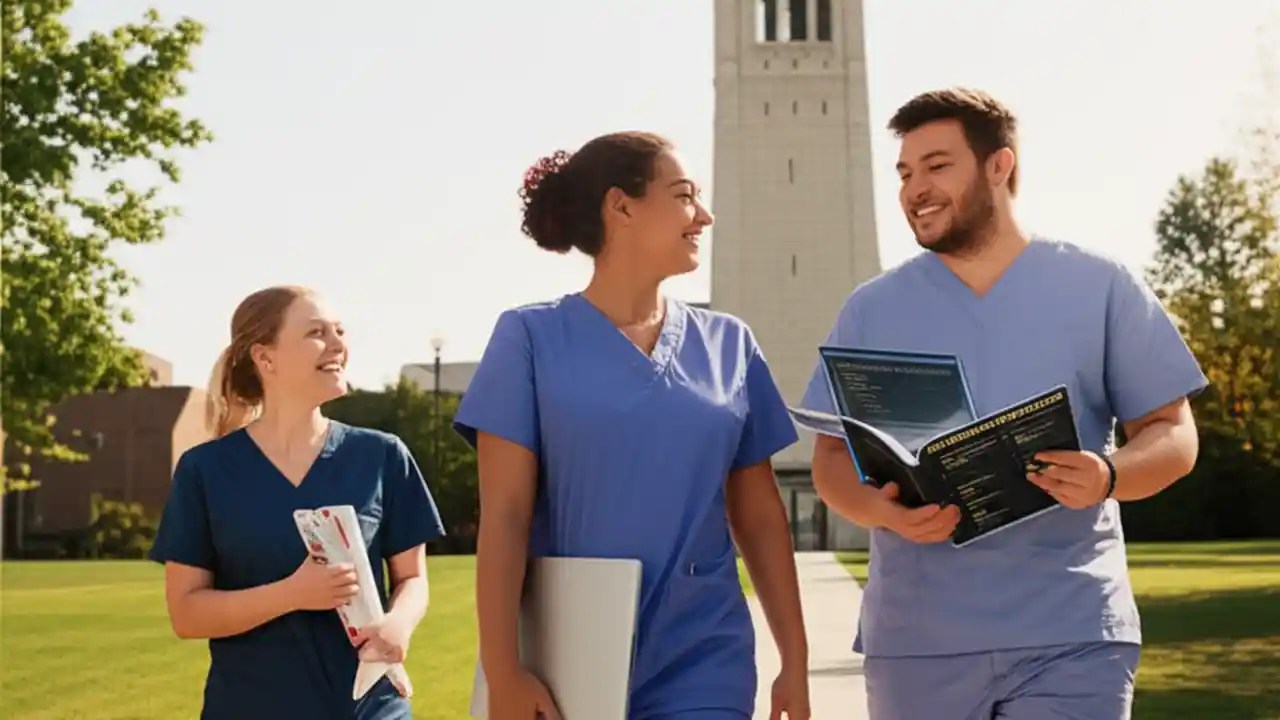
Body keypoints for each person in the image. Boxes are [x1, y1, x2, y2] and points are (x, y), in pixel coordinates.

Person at [800, 88, 1208, 720]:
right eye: (905, 173)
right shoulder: (872, 309)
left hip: (1071, 632)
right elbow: (830, 460)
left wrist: (1109, 475)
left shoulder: (1099, 286)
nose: (915, 188)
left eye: (937, 166)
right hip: (918, 643)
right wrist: (881, 512)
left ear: (999, 166)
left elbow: (1173, 432)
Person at [453, 131, 811, 720]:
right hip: (569, 658)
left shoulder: (730, 346)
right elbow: (506, 515)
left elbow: (760, 516)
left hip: (705, 654)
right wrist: (503, 671)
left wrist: (793, 661)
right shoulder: (528, 340)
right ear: (621, 207)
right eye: (684, 196)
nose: (705, 215)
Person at [149, 285, 446, 719]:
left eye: (340, 331)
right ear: (265, 358)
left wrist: (397, 624)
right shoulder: (205, 471)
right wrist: (293, 593)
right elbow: (187, 613)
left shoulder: (382, 456)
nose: (339, 344)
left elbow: (412, 579)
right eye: (317, 332)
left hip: (370, 708)